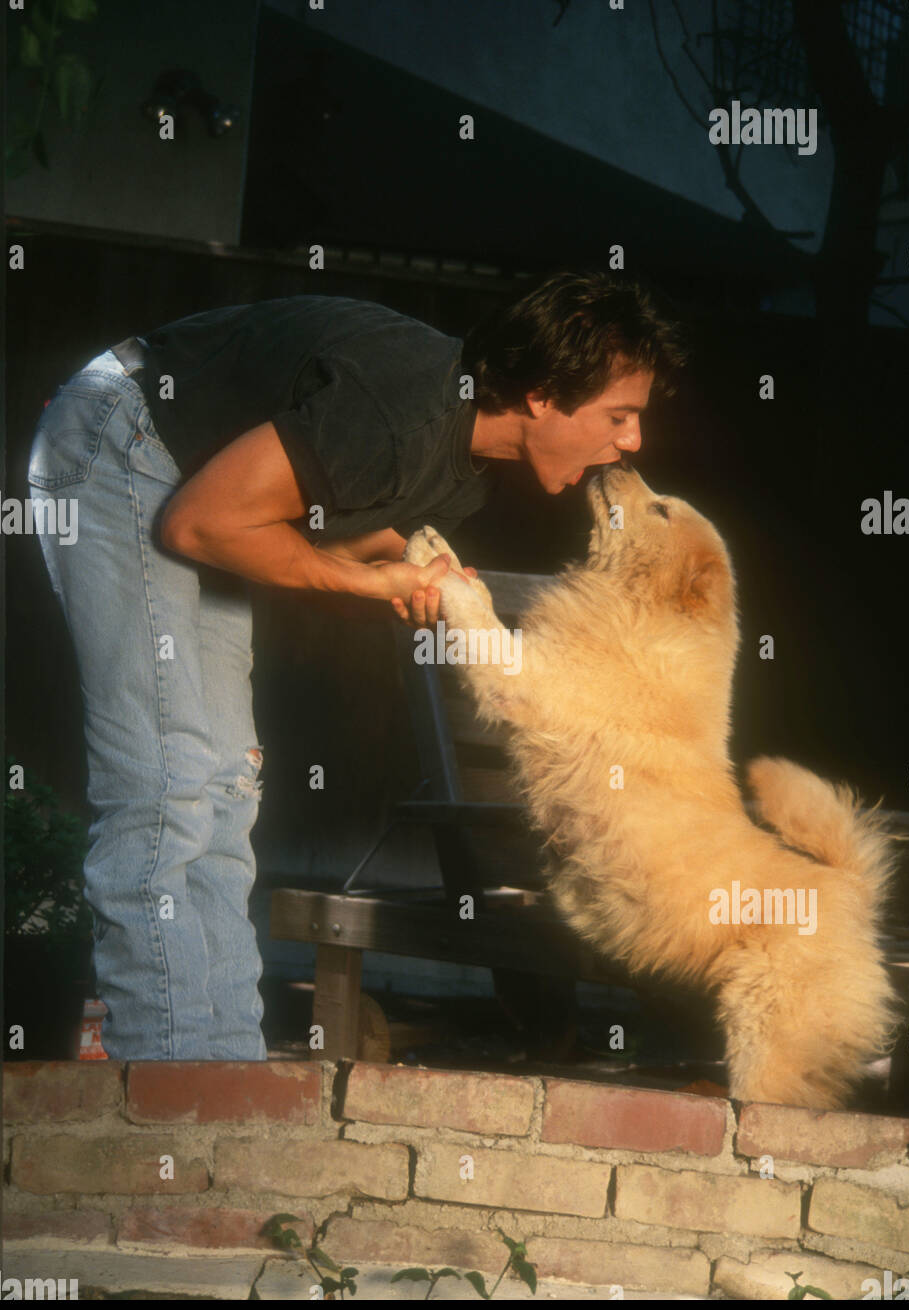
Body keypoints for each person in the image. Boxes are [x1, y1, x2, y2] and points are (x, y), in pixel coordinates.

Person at [26, 269, 687, 1061]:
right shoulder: (402, 410)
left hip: (194, 492)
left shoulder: (462, 473)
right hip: (124, 441)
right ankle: (171, 1081)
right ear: (544, 394)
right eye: (620, 415)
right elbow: (203, 525)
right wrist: (375, 580)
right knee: (162, 786)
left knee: (225, 792)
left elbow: (310, 549)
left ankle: (224, 1073)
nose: (633, 442)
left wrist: (410, 581)